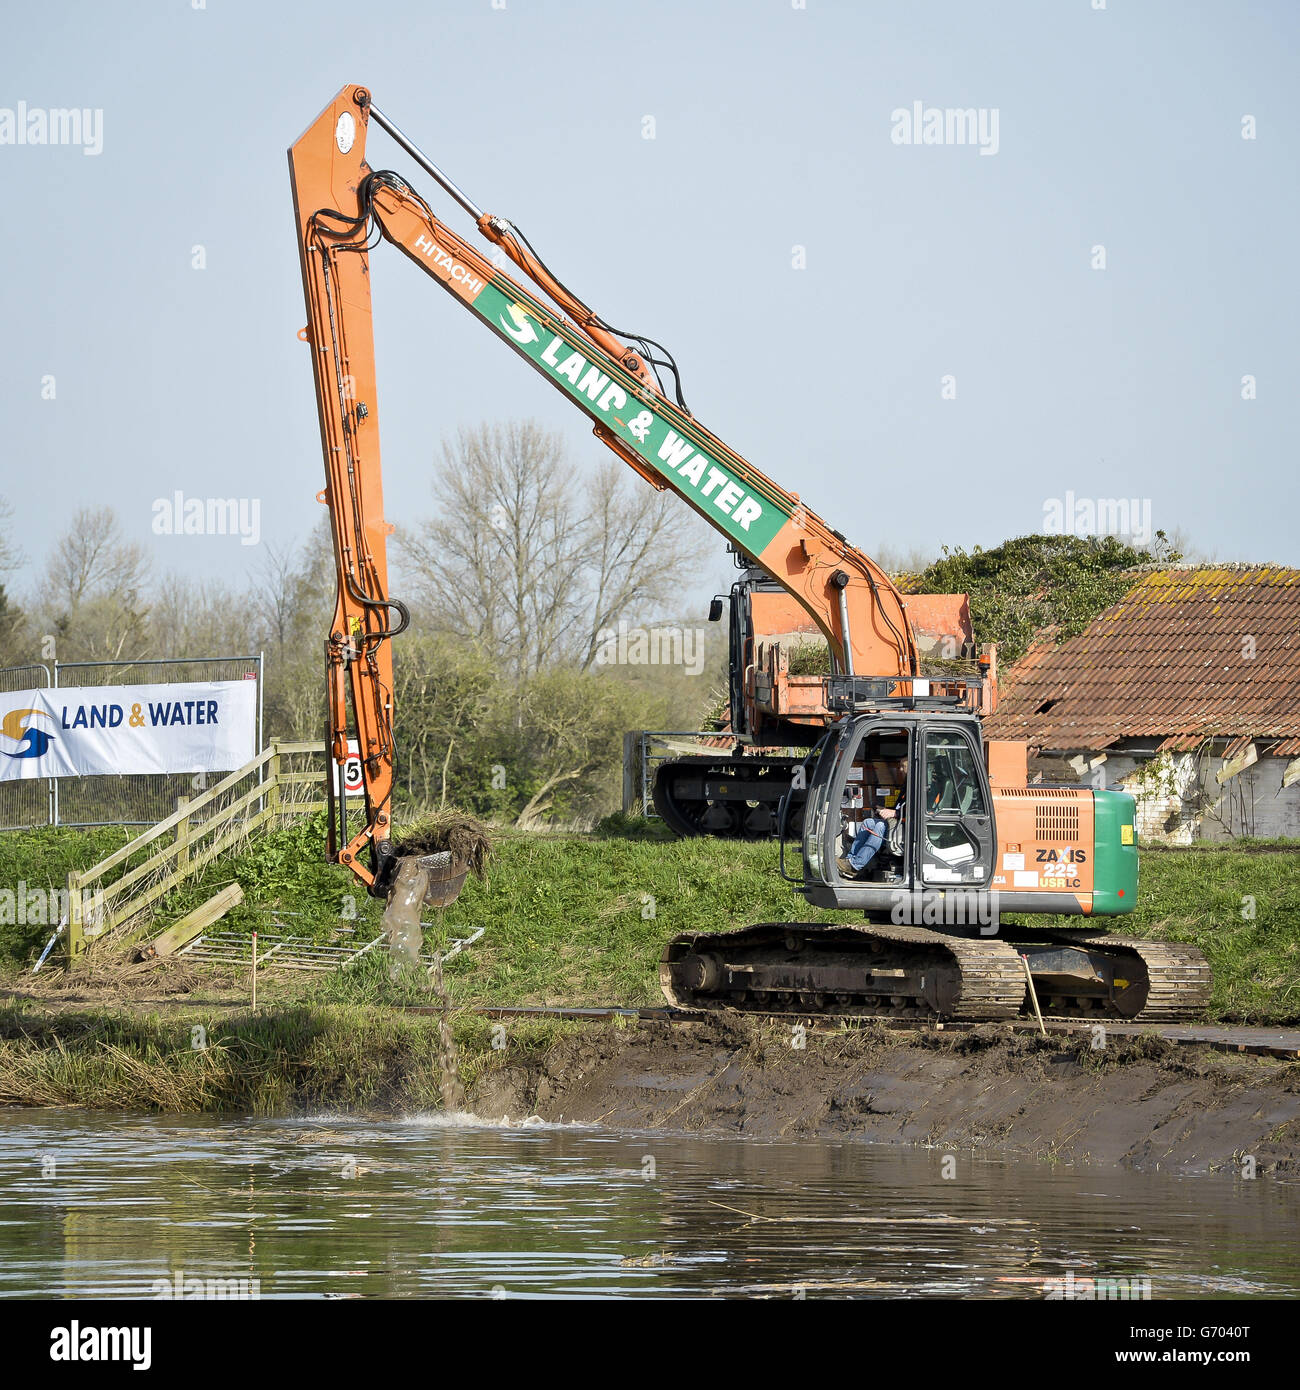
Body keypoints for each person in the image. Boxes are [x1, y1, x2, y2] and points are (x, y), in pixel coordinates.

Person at [838, 756, 906, 880]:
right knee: (868, 822)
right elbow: (899, 806)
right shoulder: (907, 785)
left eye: (903, 766)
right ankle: (850, 859)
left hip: (907, 826)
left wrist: (894, 813)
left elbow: (916, 810)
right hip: (897, 823)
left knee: (880, 826)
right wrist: (884, 809)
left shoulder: (918, 786)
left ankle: (855, 865)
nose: (900, 769)